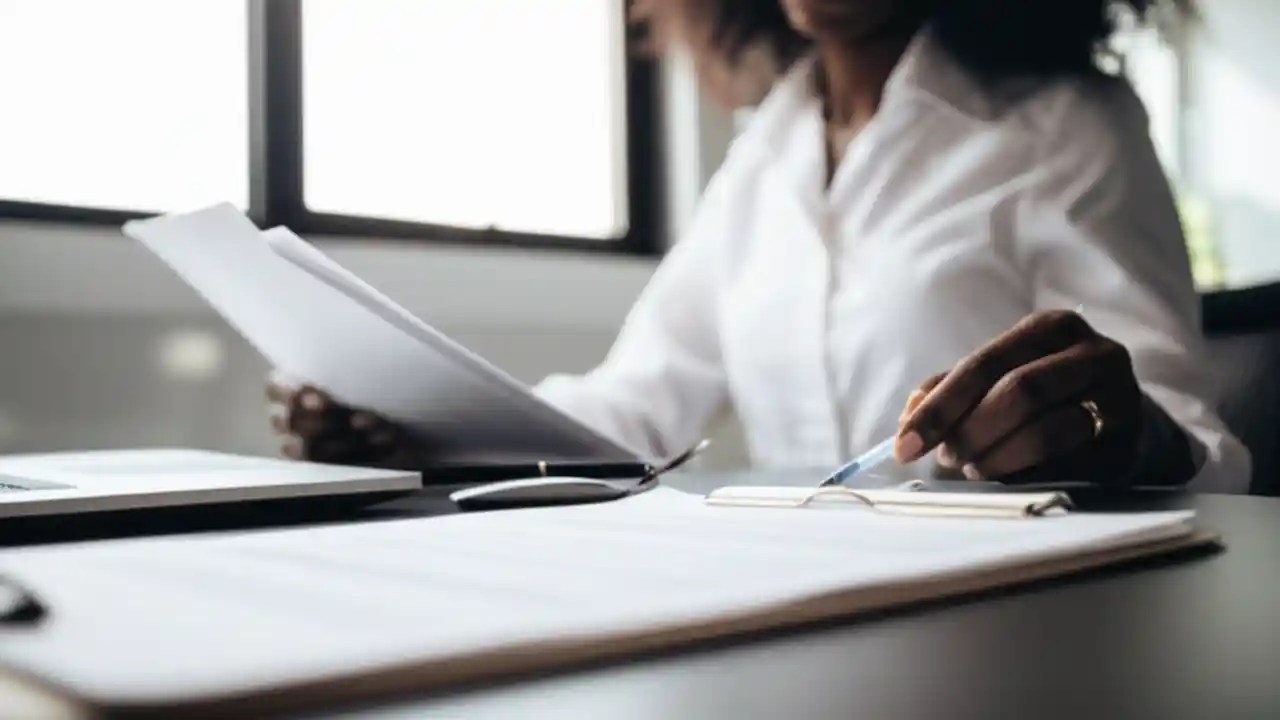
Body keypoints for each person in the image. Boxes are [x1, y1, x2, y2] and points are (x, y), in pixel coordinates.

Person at [269, 0, 1250, 491]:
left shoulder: (1070, 126)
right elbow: (634, 407)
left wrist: (1122, 434)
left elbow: (1192, 442)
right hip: (788, 607)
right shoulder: (761, 157)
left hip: (1016, 623)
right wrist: (415, 428)